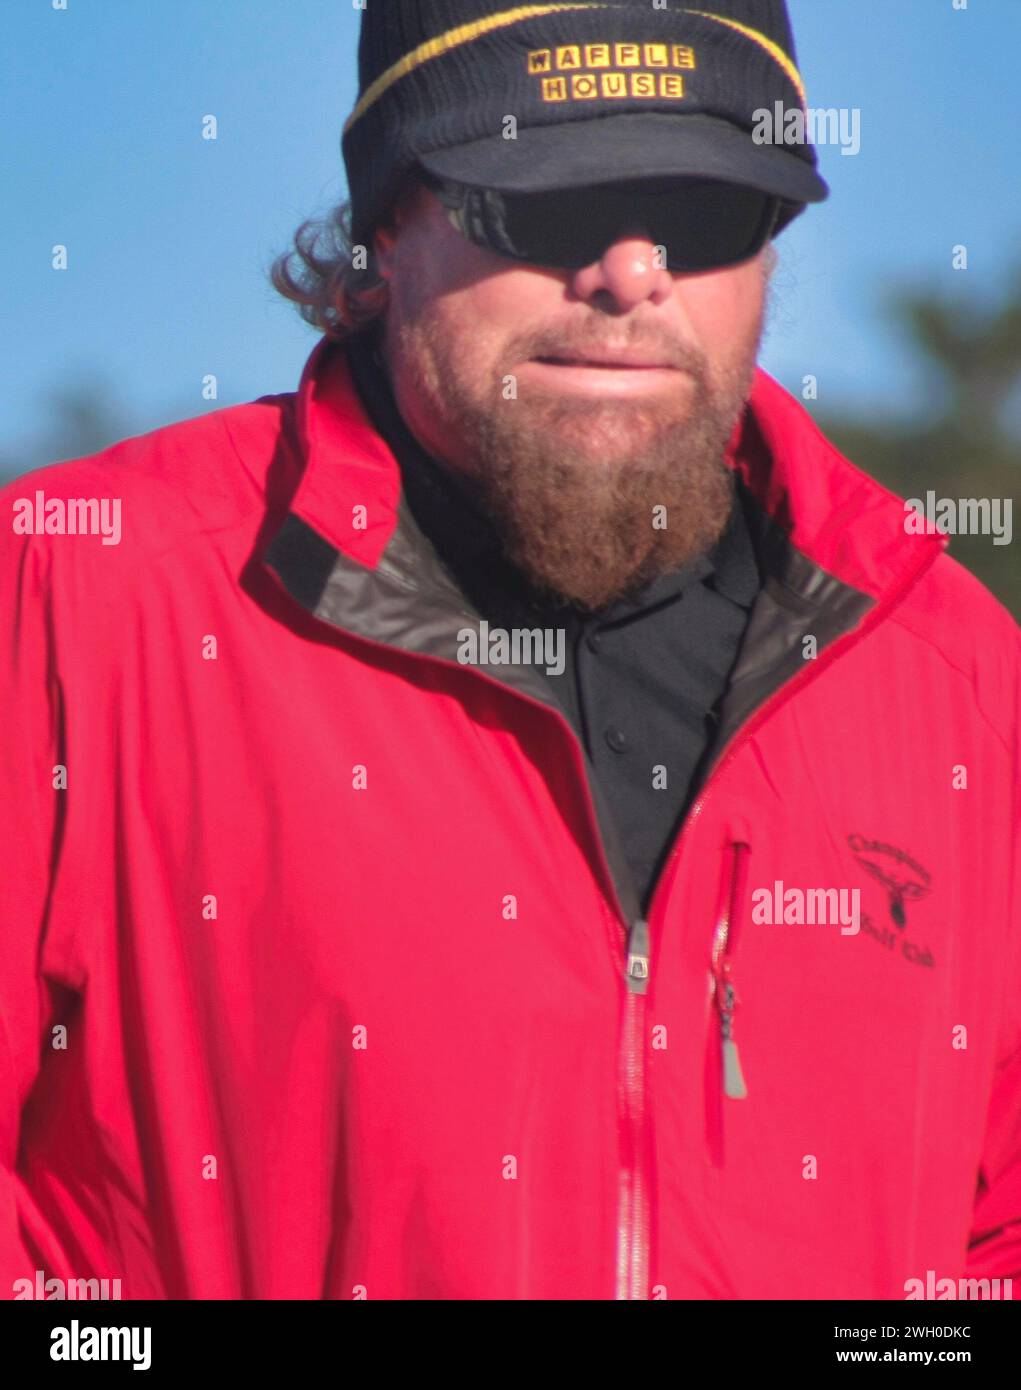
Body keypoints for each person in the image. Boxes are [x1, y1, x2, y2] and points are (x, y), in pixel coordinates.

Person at [2, 0, 1018, 1302]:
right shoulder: (78, 596)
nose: (630, 271)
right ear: (385, 222)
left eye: (707, 214)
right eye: (544, 200)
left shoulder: (956, 678)